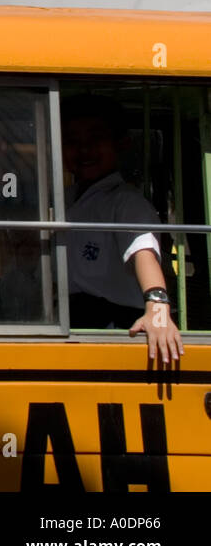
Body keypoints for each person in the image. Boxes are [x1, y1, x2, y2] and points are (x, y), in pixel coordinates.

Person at [62, 95, 183, 363]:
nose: (84, 150)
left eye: (95, 139)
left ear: (121, 144)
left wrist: (159, 311)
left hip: (113, 326)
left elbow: (144, 252)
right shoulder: (65, 199)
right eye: (72, 141)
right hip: (67, 322)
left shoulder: (126, 202)